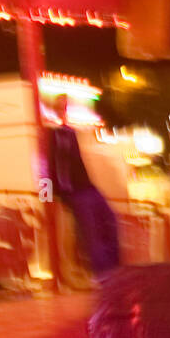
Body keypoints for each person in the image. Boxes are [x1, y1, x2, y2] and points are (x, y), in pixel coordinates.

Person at [48, 94, 120, 279]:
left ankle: (110, 270)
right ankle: (105, 274)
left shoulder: (68, 133)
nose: (64, 109)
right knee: (94, 232)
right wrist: (55, 196)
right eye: (61, 106)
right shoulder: (58, 135)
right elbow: (50, 166)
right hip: (77, 191)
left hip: (85, 187)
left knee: (108, 222)